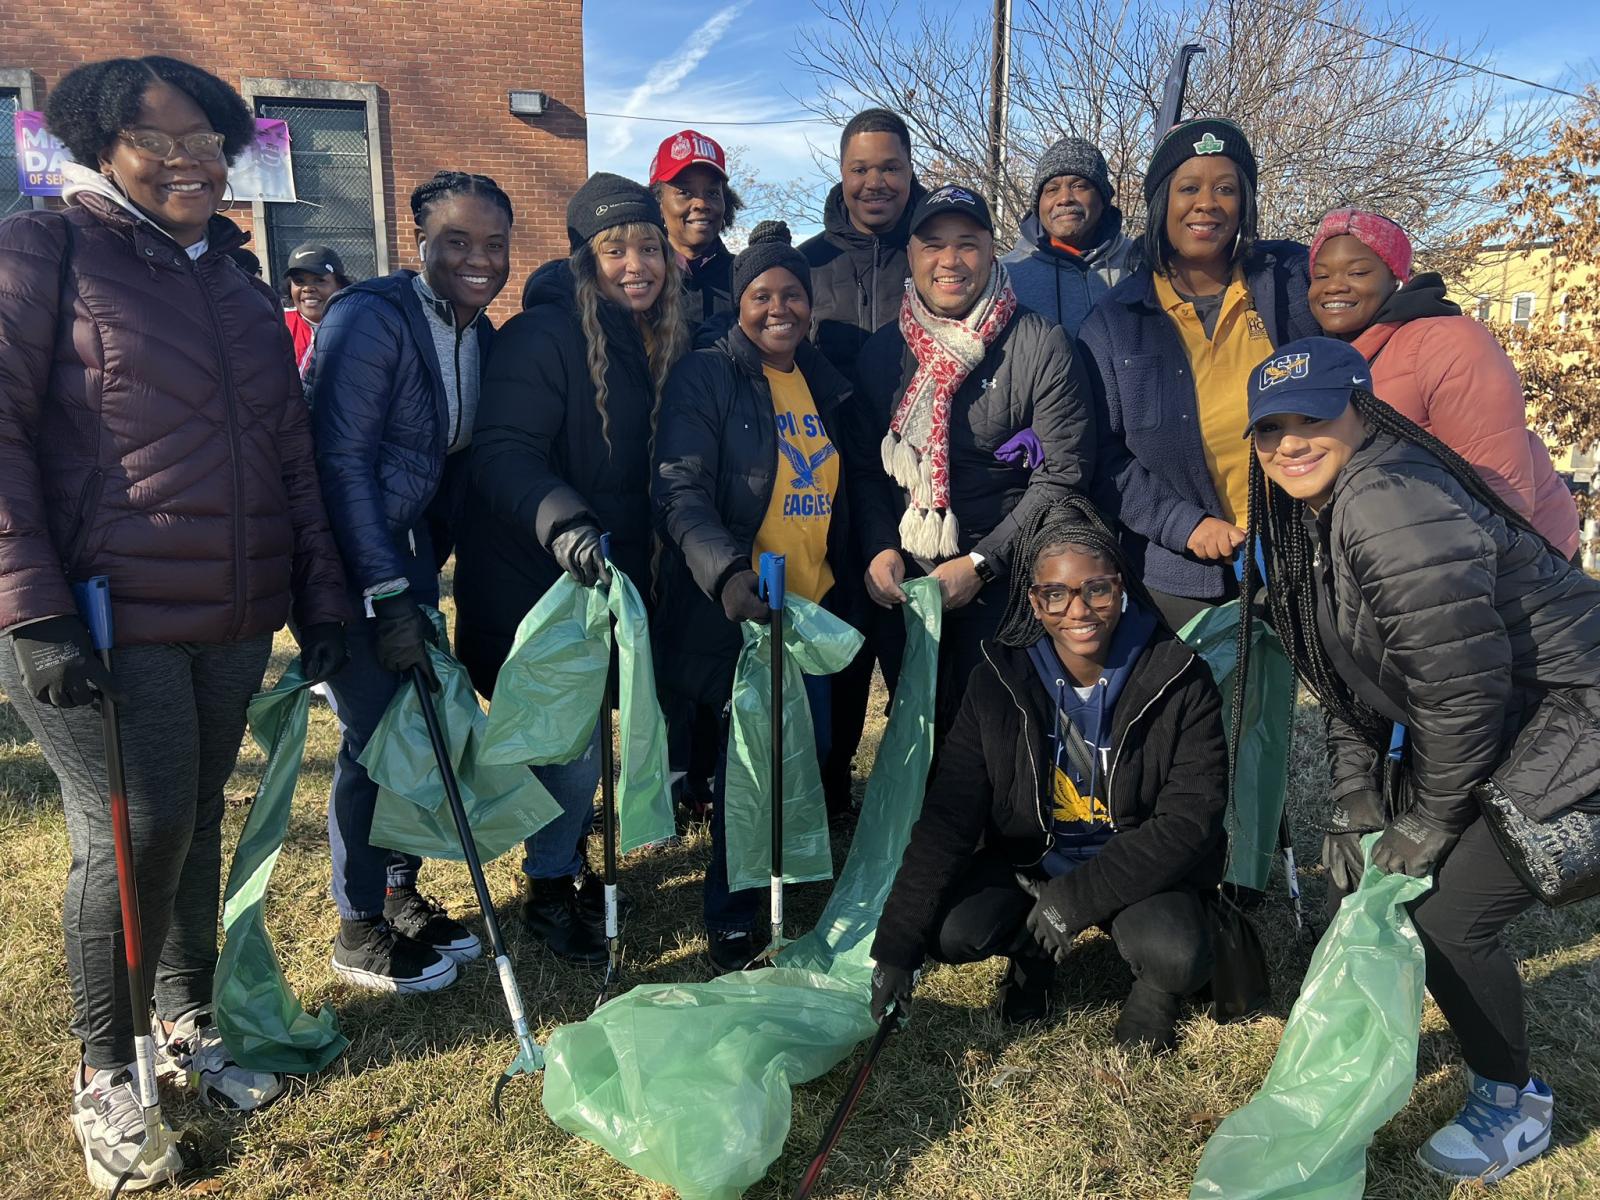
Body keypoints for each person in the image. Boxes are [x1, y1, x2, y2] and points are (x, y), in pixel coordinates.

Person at [0, 55, 350, 1191]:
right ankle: (108, 1071)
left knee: (195, 817)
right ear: (103, 143)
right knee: (134, 829)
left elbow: (288, 455)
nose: (195, 160)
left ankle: (189, 1023)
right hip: (103, 616)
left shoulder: (240, 285)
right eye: (163, 139)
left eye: (210, 138)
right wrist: (33, 606)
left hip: (230, 611)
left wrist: (323, 603)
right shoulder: (46, 251)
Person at [1239, 335, 1600, 1184]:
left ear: (1362, 410)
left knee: (1447, 912)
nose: (1289, 441)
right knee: (1393, 881)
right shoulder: (1323, 509)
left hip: (1581, 709)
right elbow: (1349, 680)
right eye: (1269, 429)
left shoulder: (1387, 504)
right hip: (1532, 712)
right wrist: (1358, 794)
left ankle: (1515, 1105)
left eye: (1313, 418)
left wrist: (1433, 819)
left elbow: (1461, 691)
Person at [868, 497, 1226, 1042]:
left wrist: (1074, 902)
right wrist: (896, 949)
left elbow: (1188, 823)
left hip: (1138, 867)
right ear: (1033, 602)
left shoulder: (1179, 675)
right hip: (1034, 863)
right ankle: (1032, 955)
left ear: (1121, 588)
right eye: (1054, 594)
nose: (1078, 611)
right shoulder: (997, 679)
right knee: (952, 930)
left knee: (1177, 954)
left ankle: (1154, 993)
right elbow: (949, 816)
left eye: (1097, 589)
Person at [454, 172, 689, 964]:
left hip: (610, 579)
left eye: (648, 247)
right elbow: (503, 454)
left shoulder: (657, 337)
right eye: (615, 248)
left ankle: (567, 860)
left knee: (586, 738)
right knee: (570, 745)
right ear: (587, 258)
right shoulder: (542, 336)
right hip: (539, 579)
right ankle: (549, 889)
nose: (636, 264)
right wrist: (565, 523)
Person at [308, 170, 513, 994]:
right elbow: (341, 463)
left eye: (493, 244)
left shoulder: (478, 327)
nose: (478, 259)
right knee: (371, 737)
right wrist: (385, 590)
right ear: (416, 239)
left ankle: (398, 894)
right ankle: (357, 921)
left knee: (412, 728)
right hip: (348, 555)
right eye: (456, 242)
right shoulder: (371, 319)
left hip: (410, 551)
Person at [654, 222, 854, 972]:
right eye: (762, 294)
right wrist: (729, 573)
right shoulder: (709, 375)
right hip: (745, 608)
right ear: (739, 303)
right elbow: (678, 489)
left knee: (815, 749)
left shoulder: (820, 378)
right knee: (751, 766)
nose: (780, 308)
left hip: (810, 607)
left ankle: (781, 880)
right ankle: (735, 916)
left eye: (793, 294)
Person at [842, 184, 1095, 736]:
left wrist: (983, 565)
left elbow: (1064, 475)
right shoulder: (884, 352)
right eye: (933, 245)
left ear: (990, 251)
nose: (949, 261)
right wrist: (879, 546)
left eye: (967, 244)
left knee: (996, 733)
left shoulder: (1040, 343)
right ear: (911, 255)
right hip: (905, 574)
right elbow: (864, 468)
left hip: (1005, 574)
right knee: (919, 731)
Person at [1080, 116, 1319, 629]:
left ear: (1245, 203)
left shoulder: (1288, 286)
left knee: (1270, 707)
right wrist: (1184, 525)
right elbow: (1101, 458)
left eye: (1226, 188)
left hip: (1296, 556)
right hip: (1179, 577)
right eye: (1188, 187)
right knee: (1189, 708)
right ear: (1162, 202)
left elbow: (1362, 302)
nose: (1206, 203)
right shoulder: (1115, 322)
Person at [1307, 208, 1580, 560]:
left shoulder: (1448, 341)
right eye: (1321, 275)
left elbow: (1498, 486)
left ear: (1397, 278)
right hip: (1407, 554)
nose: (1335, 285)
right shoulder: (1336, 358)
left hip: (1508, 567)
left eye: (1358, 272)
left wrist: (1471, 584)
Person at [799, 106, 929, 815]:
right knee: (841, 643)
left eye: (890, 168)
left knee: (912, 649)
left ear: (911, 173)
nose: (875, 182)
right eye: (860, 169)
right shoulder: (811, 264)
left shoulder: (937, 254)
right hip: (832, 489)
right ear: (841, 174)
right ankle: (829, 785)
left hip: (927, 489)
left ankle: (918, 786)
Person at [1000, 134, 1139, 336]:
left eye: (1079, 186)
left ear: (1103, 198)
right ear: (1038, 205)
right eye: (1051, 189)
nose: (1064, 198)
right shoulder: (1006, 276)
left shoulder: (1142, 265)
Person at [648, 128, 742, 328]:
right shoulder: (640, 281)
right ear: (657, 202)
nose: (701, 203)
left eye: (713, 193)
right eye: (685, 192)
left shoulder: (747, 281)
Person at [281, 241, 351, 377]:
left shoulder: (358, 327)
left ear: (340, 285)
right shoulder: (277, 323)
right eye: (299, 281)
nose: (307, 288)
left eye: (319, 280)